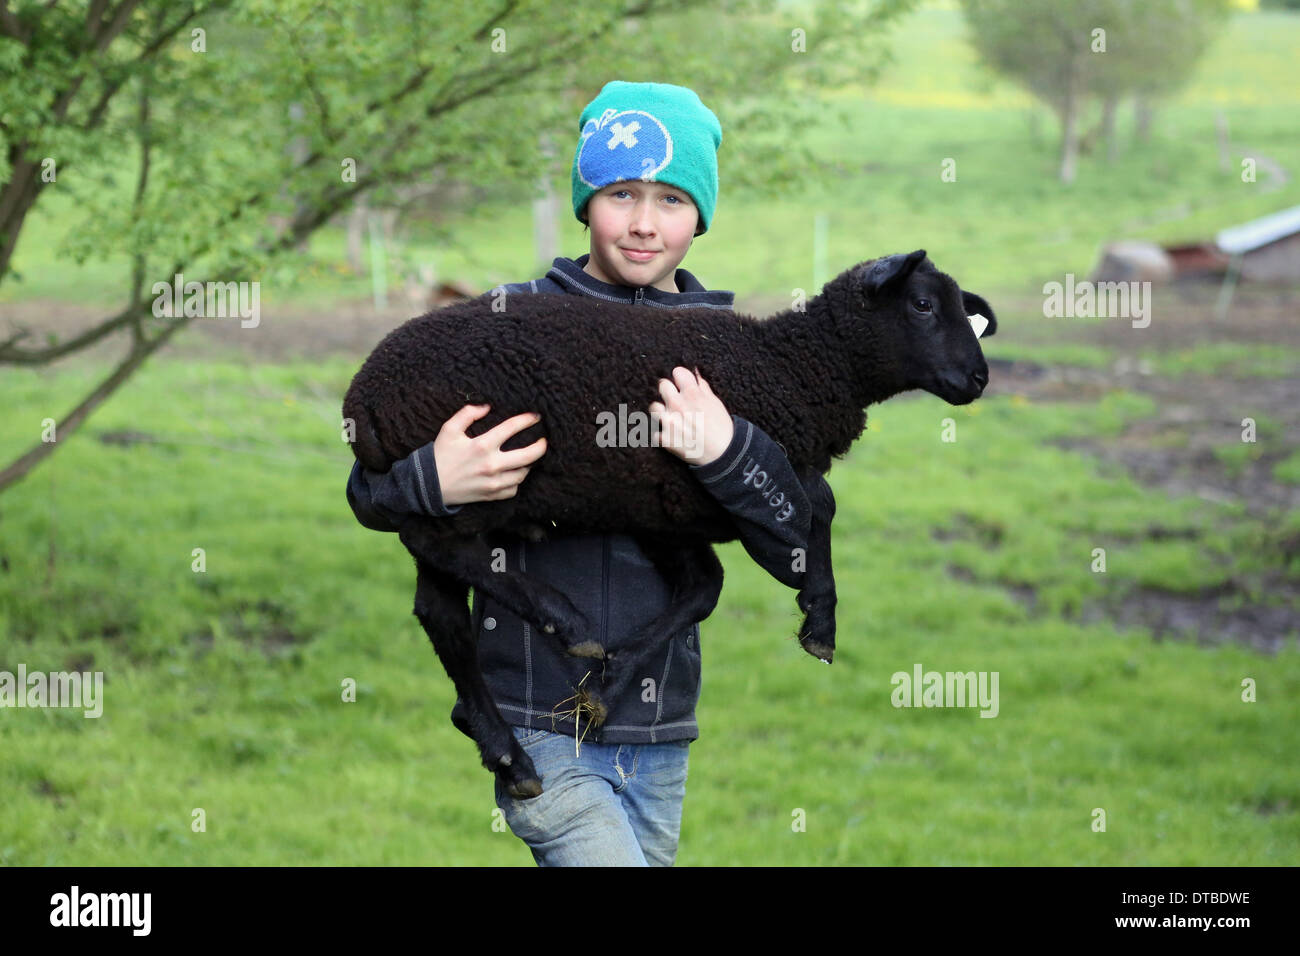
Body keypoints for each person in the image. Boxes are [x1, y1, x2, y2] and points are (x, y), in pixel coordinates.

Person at [346, 80, 812, 866]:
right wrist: (432, 482)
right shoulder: (506, 331)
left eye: (670, 198)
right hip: (539, 724)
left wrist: (727, 449)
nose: (642, 221)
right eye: (621, 192)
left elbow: (791, 539)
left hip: (660, 733)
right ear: (585, 201)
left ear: (701, 213)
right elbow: (367, 487)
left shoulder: (729, 358)